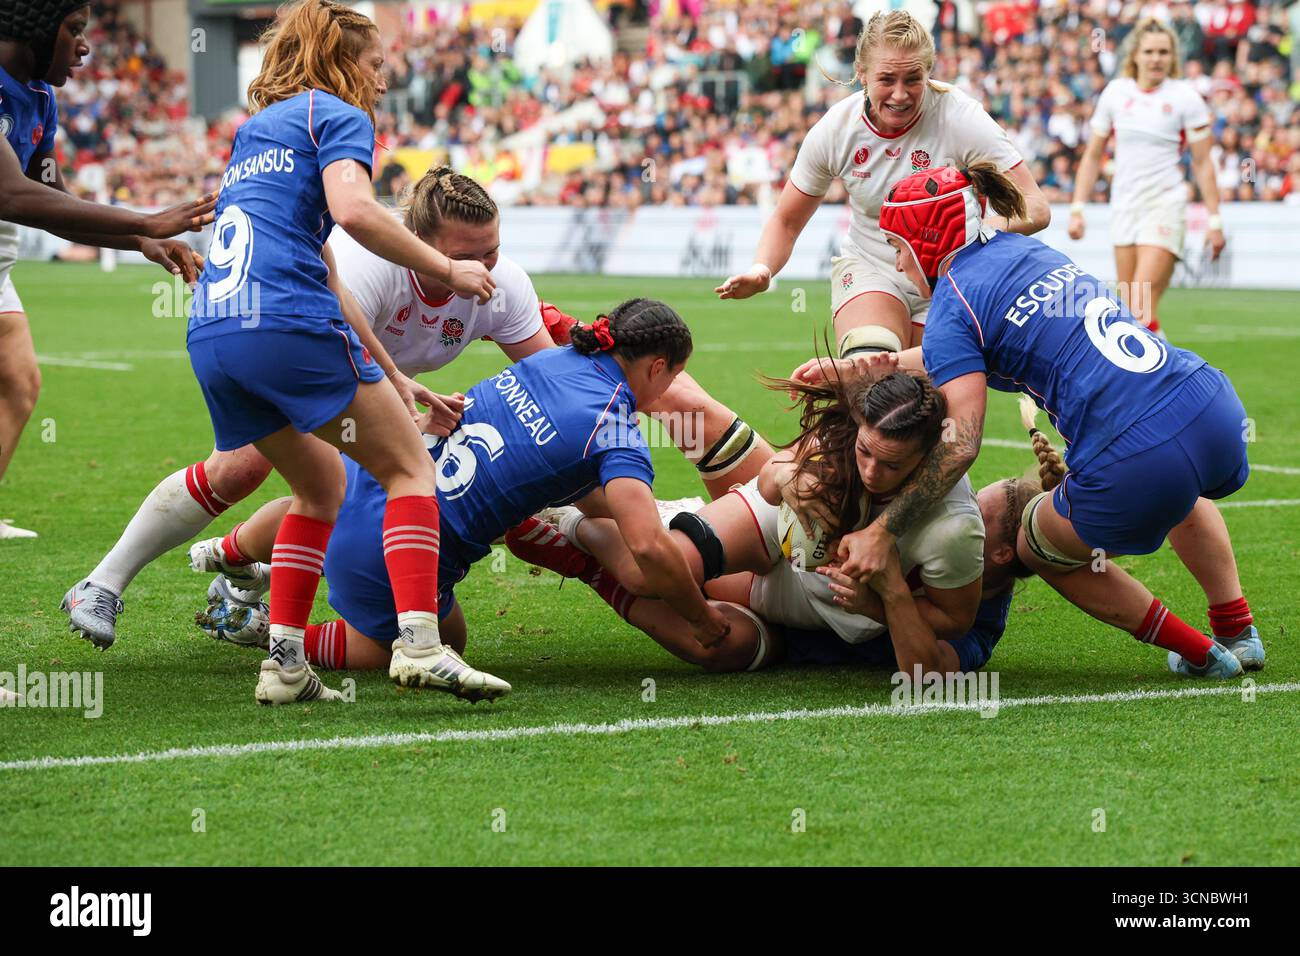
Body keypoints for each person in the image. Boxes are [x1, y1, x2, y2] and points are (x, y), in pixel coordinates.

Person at [797, 162, 1261, 679]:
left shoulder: (954, 302)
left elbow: (961, 444)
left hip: (1136, 456)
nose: (900, 268)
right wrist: (848, 370)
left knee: (1035, 544)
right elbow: (951, 354)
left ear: (919, 245)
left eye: (898, 251)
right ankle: (1236, 630)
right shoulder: (1024, 250)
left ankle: (1201, 653)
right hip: (1209, 404)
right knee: (1183, 489)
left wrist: (883, 531)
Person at [178, 0, 504, 706]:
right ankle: (421, 645)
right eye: (375, 65)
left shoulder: (254, 131)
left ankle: (285, 664)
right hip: (284, 325)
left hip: (214, 331)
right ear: (339, 61)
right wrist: (449, 271)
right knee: (410, 468)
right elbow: (355, 213)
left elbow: (325, 261)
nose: (383, 82)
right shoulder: (339, 116)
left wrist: (396, 379)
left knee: (320, 489)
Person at [191, 300, 731, 679]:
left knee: (310, 504)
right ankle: (265, 630)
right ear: (657, 366)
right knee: (439, 641)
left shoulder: (549, 358)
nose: (670, 391)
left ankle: (230, 549)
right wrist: (703, 620)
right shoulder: (615, 429)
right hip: (397, 557)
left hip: (366, 485)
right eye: (674, 377)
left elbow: (561, 469)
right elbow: (645, 552)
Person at [508, 371, 988, 675]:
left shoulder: (952, 529)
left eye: (892, 466)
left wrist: (885, 595)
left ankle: (577, 529)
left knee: (719, 648)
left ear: (930, 459)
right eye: (865, 453)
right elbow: (769, 478)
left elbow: (950, 626)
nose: (870, 473)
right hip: (771, 529)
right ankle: (569, 501)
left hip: (809, 602)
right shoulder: (848, 432)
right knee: (646, 570)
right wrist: (790, 477)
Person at [715, 9, 1048, 360]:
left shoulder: (960, 117)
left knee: (925, 406)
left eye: (913, 79)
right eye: (887, 79)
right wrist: (762, 269)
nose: (900, 95)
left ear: (929, 71)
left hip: (950, 283)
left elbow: (1035, 207)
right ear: (862, 74)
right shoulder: (836, 130)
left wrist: (965, 234)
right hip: (871, 267)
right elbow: (786, 220)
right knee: (872, 372)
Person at [0, 1, 213, 540]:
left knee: (18, 384)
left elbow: (50, 199)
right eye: (73, 30)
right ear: (35, 30)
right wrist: (145, 218)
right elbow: (12, 194)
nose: (85, 46)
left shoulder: (40, 98)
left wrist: (141, 238)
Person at [1068, 18, 1226, 337]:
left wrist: (1215, 220)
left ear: (1173, 57)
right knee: (1132, 312)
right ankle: (1154, 377)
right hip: (1125, 207)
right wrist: (1077, 208)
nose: (1157, 58)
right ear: (1135, 55)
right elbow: (1094, 155)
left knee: (1141, 302)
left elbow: (1203, 163)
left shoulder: (1185, 97)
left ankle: (1163, 381)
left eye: (1164, 52)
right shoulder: (1115, 93)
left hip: (1165, 204)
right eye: (1150, 51)